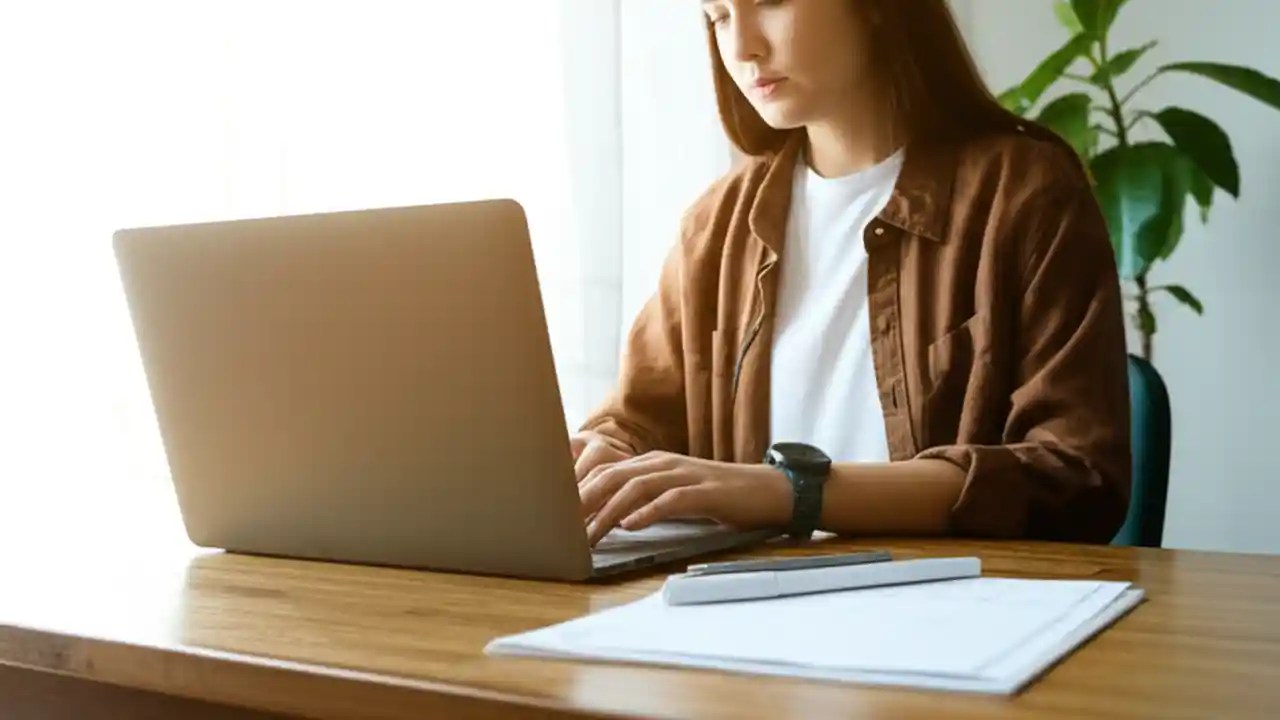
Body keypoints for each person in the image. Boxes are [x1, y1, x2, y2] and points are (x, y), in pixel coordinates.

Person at [573, 0, 1131, 547]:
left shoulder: (1023, 194)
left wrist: (788, 492)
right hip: (745, 617)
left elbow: (1075, 477)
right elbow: (637, 419)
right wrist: (607, 454)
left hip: (952, 617)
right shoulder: (717, 227)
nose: (741, 46)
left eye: (770, 2)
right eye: (717, 16)